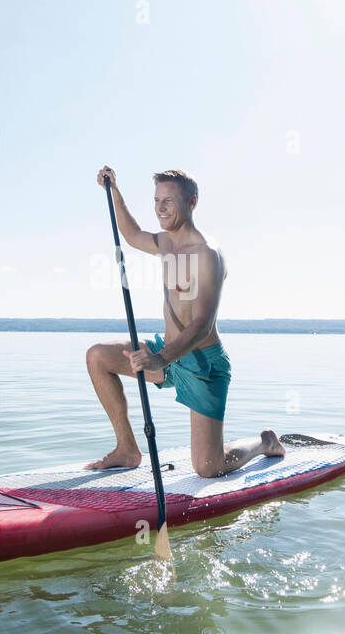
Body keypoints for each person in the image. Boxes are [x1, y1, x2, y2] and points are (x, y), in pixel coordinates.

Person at [86, 166, 285, 478]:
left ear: (192, 202)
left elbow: (202, 324)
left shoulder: (207, 254)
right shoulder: (165, 243)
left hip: (203, 363)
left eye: (169, 201)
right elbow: (132, 234)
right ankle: (127, 449)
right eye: (156, 200)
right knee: (98, 356)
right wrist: (113, 191)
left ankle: (264, 443)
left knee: (209, 468)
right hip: (166, 353)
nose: (160, 208)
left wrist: (157, 359)